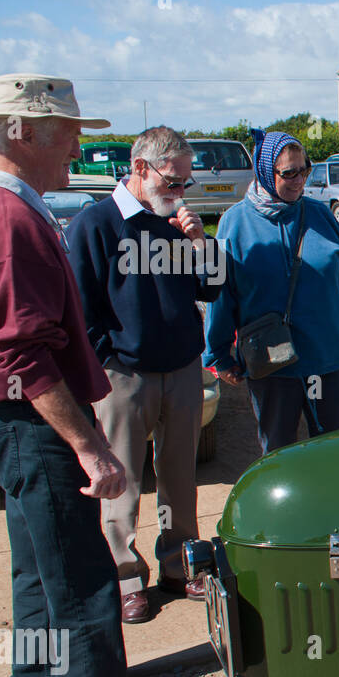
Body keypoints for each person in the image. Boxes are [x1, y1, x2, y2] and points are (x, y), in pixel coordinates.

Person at [0, 72, 178, 677]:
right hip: (33, 422)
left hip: (11, 418)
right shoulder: (6, 217)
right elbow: (23, 349)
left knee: (37, 568)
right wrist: (89, 445)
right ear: (20, 131)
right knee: (82, 574)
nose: (79, 146)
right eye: (67, 132)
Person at [66, 126, 221, 622]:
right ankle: (127, 577)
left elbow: (213, 290)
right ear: (139, 168)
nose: (179, 192)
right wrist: (102, 367)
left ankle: (179, 567)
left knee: (179, 479)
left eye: (185, 184)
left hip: (181, 369)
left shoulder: (176, 223)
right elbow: (79, 311)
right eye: (172, 181)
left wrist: (202, 245)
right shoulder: (95, 224)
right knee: (124, 482)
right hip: (123, 377)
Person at [203, 130, 339, 455]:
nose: (300, 179)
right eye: (289, 173)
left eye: (305, 169)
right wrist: (219, 354)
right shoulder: (233, 223)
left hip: (328, 361)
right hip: (273, 366)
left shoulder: (320, 215)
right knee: (279, 456)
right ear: (264, 172)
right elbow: (220, 293)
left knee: (335, 451)